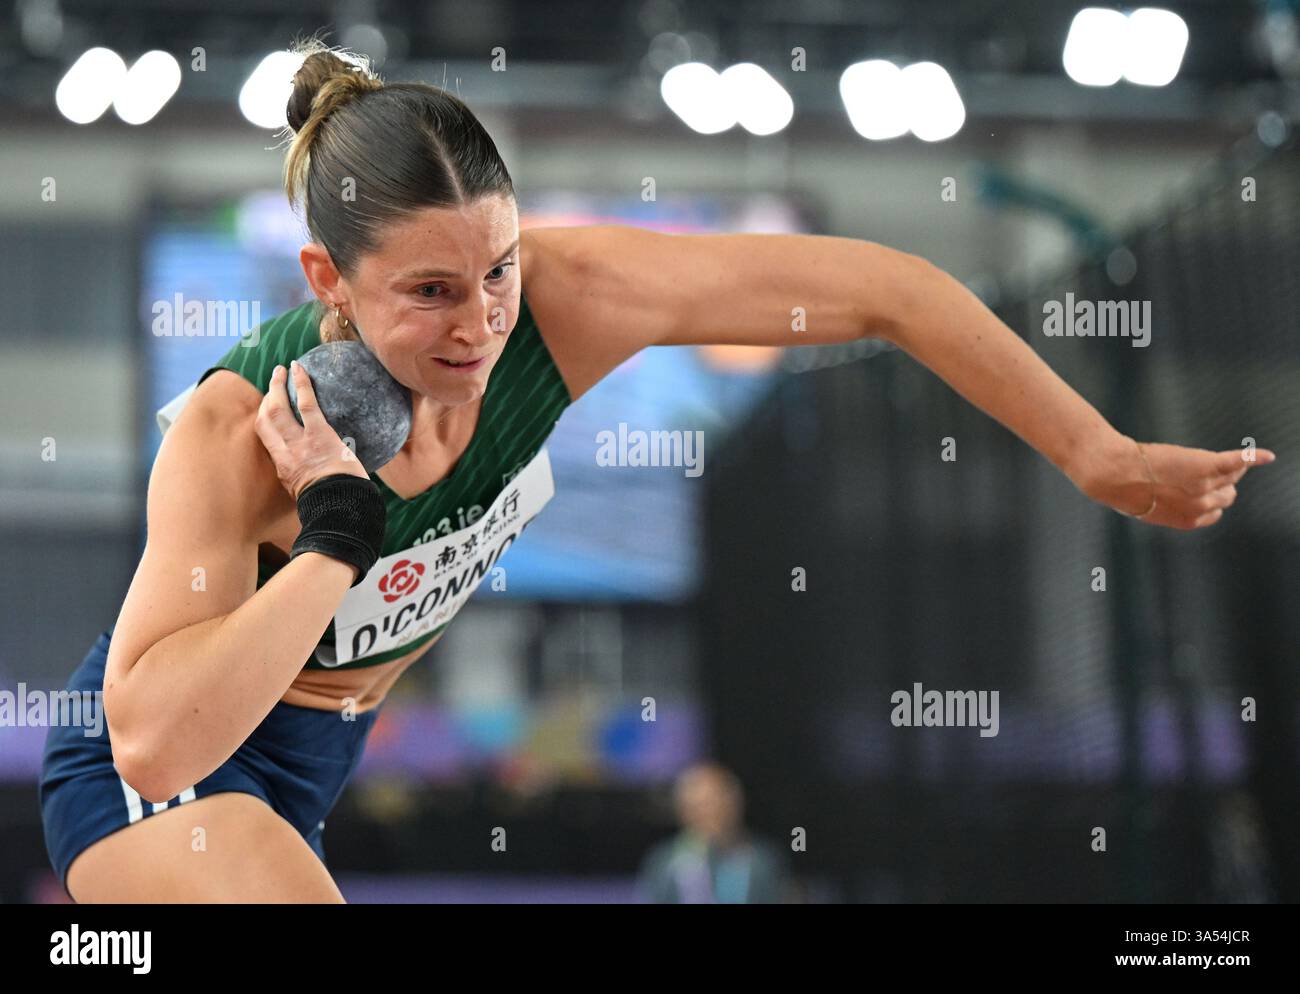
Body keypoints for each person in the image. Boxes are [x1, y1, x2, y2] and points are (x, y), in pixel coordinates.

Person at [38, 40, 1276, 903]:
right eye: (428, 291)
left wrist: (1094, 451)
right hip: (168, 770)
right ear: (328, 283)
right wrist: (337, 534)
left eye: (499, 269)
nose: (480, 323)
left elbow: (882, 291)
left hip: (310, 771)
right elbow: (152, 742)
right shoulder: (238, 431)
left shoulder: (566, 304)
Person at [639, 763, 789, 904]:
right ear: (683, 811)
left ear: (736, 804)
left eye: (717, 804)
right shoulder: (664, 863)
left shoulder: (763, 860)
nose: (710, 813)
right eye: (699, 806)